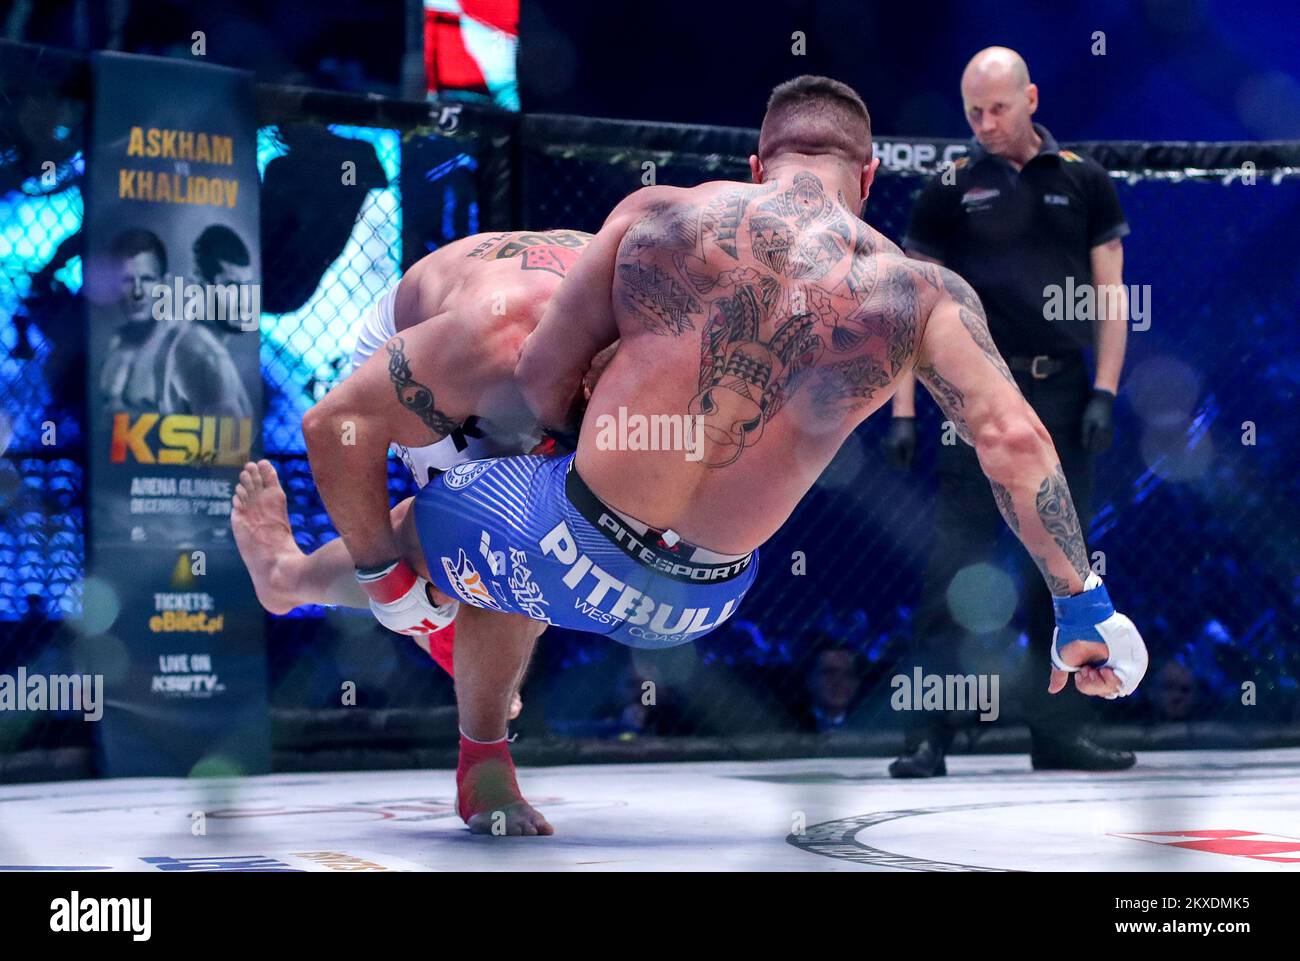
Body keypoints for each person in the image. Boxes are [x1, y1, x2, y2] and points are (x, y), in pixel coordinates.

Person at [350, 74, 1145, 834]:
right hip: (704, 598)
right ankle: (419, 615)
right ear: (868, 175)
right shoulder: (920, 291)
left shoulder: (655, 214)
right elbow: (1014, 441)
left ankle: (399, 658)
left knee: (476, 478)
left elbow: (536, 382)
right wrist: (1082, 604)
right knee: (524, 480)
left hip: (568, 542)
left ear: (757, 165)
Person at [237, 228, 598, 829]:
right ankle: (285, 577)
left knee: (535, 539)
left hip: (557, 365)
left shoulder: (673, 348)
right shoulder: (481, 346)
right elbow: (336, 425)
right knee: (501, 535)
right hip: (437, 334)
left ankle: (465, 646)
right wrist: (385, 581)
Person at [884, 48, 1136, 777]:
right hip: (974, 395)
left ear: (1030, 97)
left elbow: (1110, 293)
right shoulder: (949, 186)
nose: (986, 125)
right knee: (952, 567)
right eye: (972, 113)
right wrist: (905, 409)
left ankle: (1058, 732)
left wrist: (1107, 391)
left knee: (1062, 568)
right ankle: (927, 733)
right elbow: (912, 301)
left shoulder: (1084, 179)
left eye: (998, 108)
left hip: (1061, 391)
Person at [99, 227, 252, 418]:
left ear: (164, 283)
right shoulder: (116, 341)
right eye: (127, 280)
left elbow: (233, 439)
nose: (137, 292)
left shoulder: (195, 350)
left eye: (147, 279)